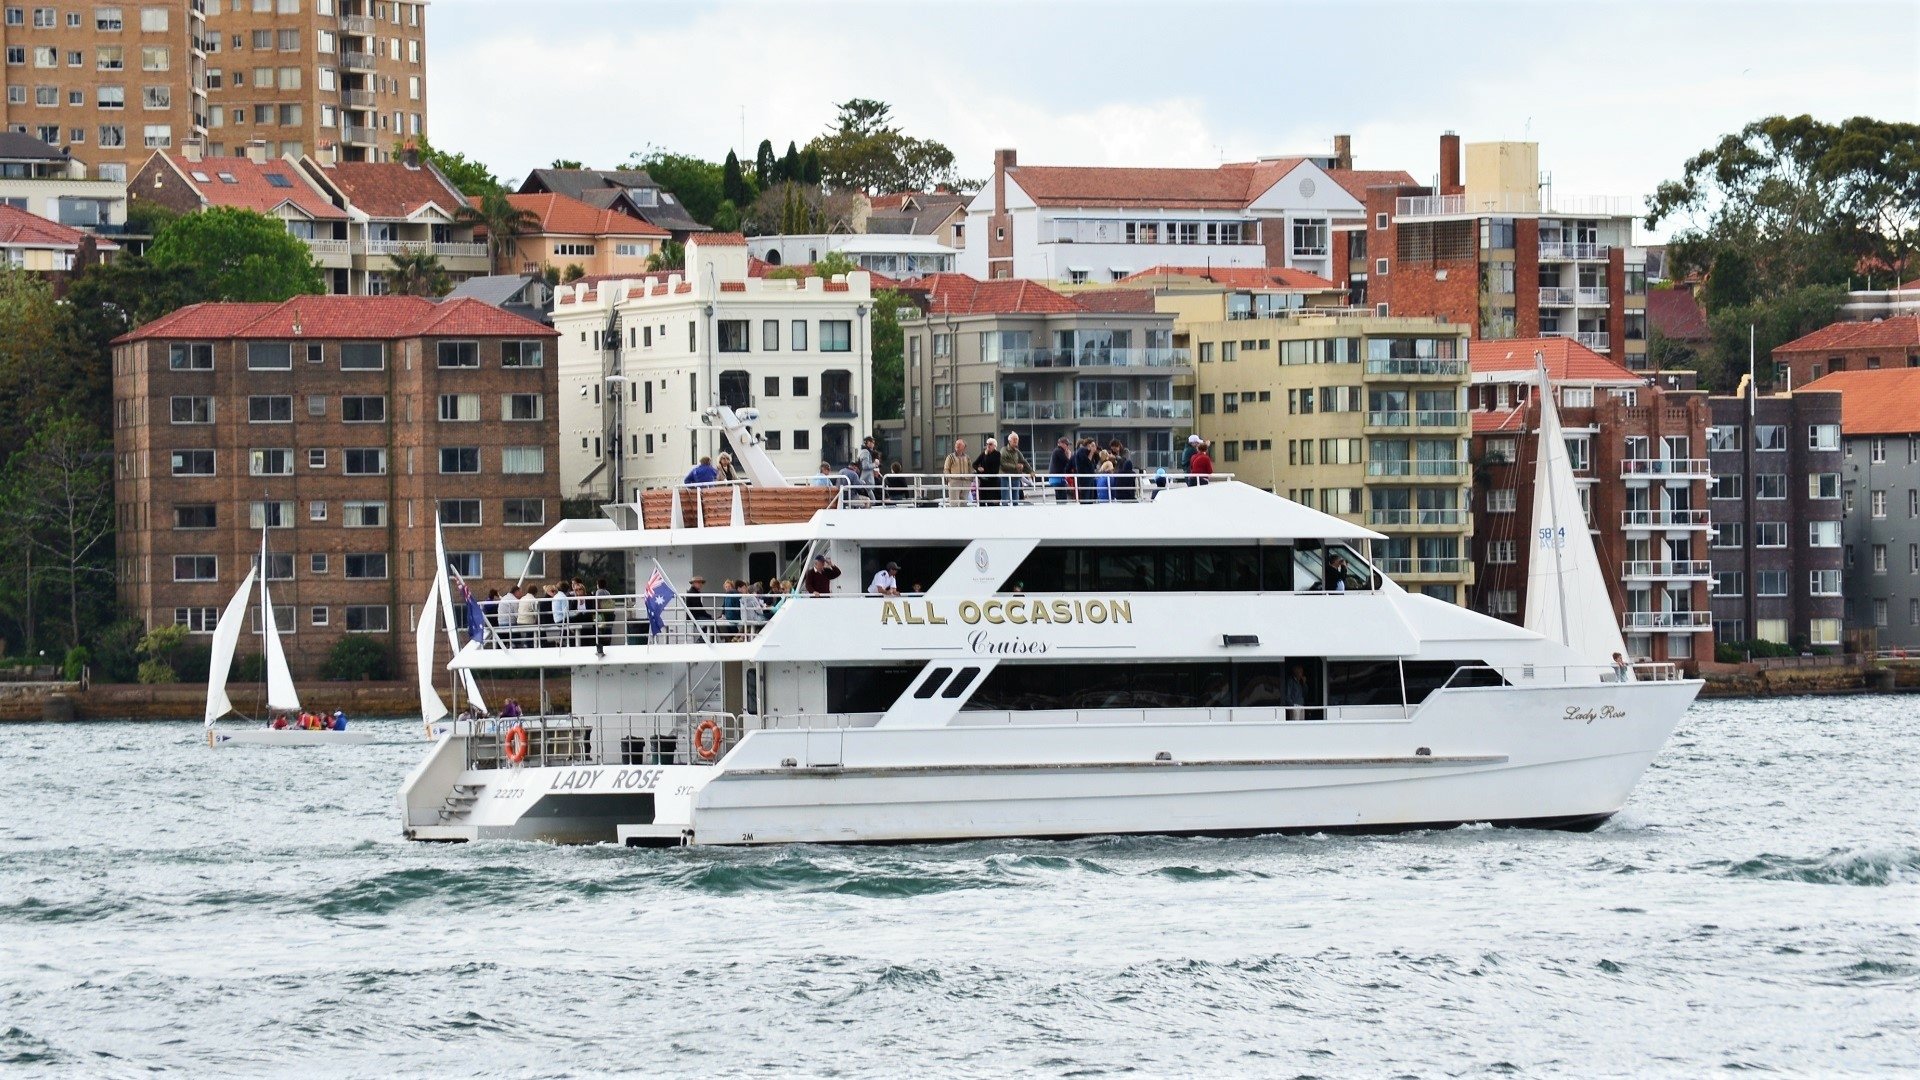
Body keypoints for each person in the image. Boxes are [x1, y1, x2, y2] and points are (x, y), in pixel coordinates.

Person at [1000, 433, 1029, 505]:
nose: (1016, 441)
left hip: (1016, 477)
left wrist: (1031, 471)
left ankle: (1015, 509)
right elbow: (1002, 463)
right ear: (1009, 441)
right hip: (1006, 477)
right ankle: (1004, 510)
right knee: (1005, 497)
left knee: (1015, 498)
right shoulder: (1004, 450)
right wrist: (1015, 466)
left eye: (1017, 439)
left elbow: (1024, 462)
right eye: (1014, 439)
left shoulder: (1017, 452)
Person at [973, 438, 1002, 506]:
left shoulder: (997, 454)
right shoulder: (984, 453)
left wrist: (986, 455)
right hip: (983, 480)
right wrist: (978, 468)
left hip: (992, 481)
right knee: (982, 501)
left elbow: (988, 463)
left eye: (990, 444)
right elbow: (974, 464)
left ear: (994, 446)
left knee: (991, 502)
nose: (988, 446)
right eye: (987, 444)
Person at [943, 439, 972, 506]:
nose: (957, 446)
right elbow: (946, 469)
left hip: (966, 482)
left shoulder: (967, 457)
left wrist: (970, 479)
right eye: (956, 444)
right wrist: (950, 480)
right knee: (954, 503)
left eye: (959, 445)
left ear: (964, 447)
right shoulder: (950, 457)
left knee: (964, 503)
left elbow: (970, 469)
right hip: (954, 481)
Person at [1049, 437, 1074, 502]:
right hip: (1058, 478)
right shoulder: (1059, 451)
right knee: (1062, 496)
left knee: (1060, 495)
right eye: (1066, 444)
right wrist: (1069, 455)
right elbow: (1067, 462)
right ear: (1061, 444)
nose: (1067, 447)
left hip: (1056, 477)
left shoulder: (1056, 451)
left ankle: (1060, 506)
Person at [857, 436, 881, 502]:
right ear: (868, 443)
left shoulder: (865, 452)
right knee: (870, 495)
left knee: (869, 495)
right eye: (872, 442)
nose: (873, 444)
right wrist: (875, 464)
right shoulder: (866, 452)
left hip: (865, 479)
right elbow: (865, 466)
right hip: (866, 479)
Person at [1072, 437, 1097, 502]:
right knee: (1086, 497)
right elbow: (1087, 462)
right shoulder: (1081, 451)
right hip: (1084, 478)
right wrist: (1091, 452)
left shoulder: (1089, 452)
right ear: (1088, 445)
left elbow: (1094, 463)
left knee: (1091, 497)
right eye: (1092, 445)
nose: (1094, 447)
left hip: (1090, 477)